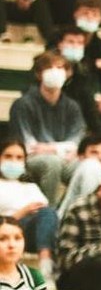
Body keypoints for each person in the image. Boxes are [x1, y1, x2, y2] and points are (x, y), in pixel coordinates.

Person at [12, 50, 84, 204]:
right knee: (52, 163)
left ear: (68, 73)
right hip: (32, 161)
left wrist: (49, 148)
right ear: (39, 74)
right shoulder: (23, 105)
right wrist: (60, 149)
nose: (55, 72)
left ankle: (68, 211)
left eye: (60, 68)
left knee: (89, 166)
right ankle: (48, 213)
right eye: (49, 68)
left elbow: (75, 144)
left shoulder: (72, 106)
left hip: (64, 160)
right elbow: (29, 147)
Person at [0, 139, 59, 273]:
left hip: (29, 234)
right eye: (8, 156)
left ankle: (46, 266)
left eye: (19, 157)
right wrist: (22, 212)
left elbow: (45, 214)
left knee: (49, 213)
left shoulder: (31, 187)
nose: (14, 161)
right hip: (3, 231)